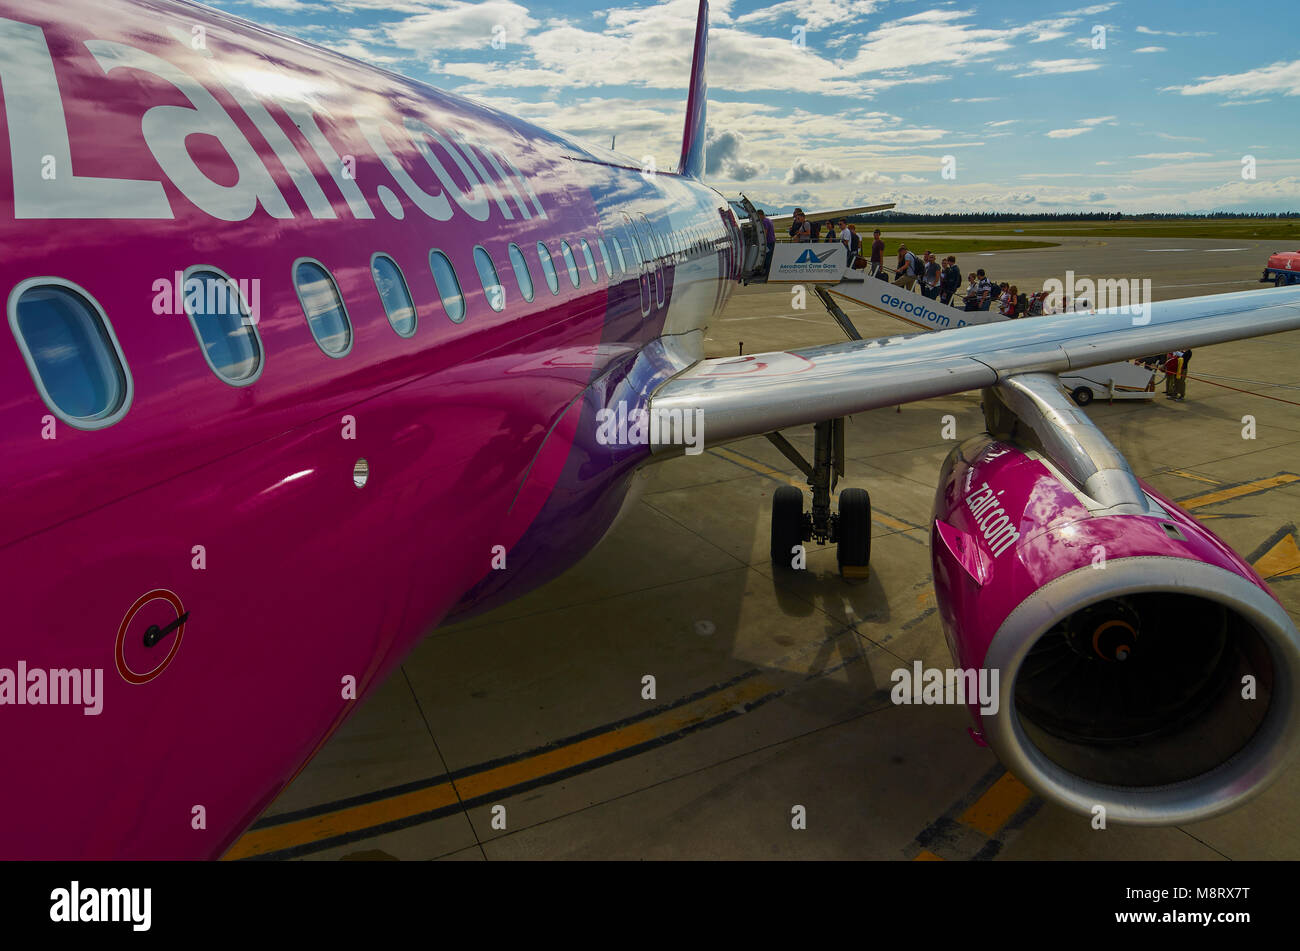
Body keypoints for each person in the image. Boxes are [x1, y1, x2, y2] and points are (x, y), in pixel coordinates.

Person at [758, 210, 776, 280]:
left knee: (767, 258)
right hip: (771, 241)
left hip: (768, 242)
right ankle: (767, 272)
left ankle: (767, 273)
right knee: (768, 257)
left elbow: (764, 233)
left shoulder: (764, 221)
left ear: (761, 215)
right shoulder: (768, 220)